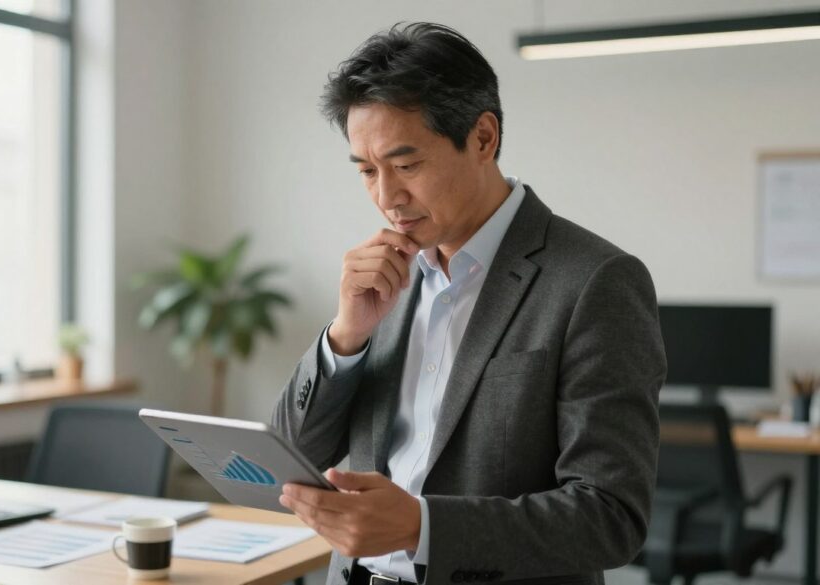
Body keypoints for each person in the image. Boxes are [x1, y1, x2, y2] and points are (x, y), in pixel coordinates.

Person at [272, 22, 667, 585]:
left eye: (406, 166)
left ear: (483, 138)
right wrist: (345, 338)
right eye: (367, 171)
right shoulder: (382, 277)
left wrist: (421, 526)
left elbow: (610, 517)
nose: (386, 197)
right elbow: (290, 457)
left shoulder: (596, 282)